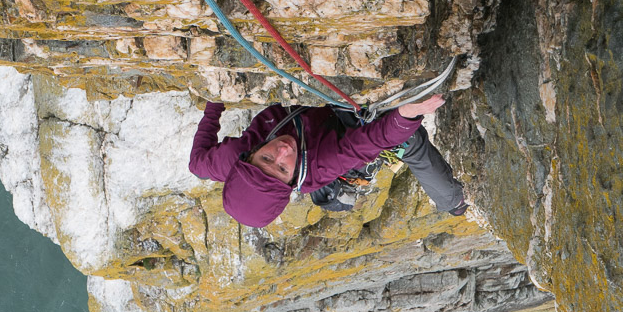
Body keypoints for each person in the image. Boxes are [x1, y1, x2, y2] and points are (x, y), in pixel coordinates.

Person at [188, 94, 466, 229]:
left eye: (266, 157)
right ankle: (452, 201)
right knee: (410, 144)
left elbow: (197, 163)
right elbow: (372, 140)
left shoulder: (234, 159)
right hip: (343, 132)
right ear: (291, 181)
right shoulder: (320, 166)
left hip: (315, 112)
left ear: (249, 155)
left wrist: (215, 100)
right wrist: (407, 114)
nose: (282, 150)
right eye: (282, 167)